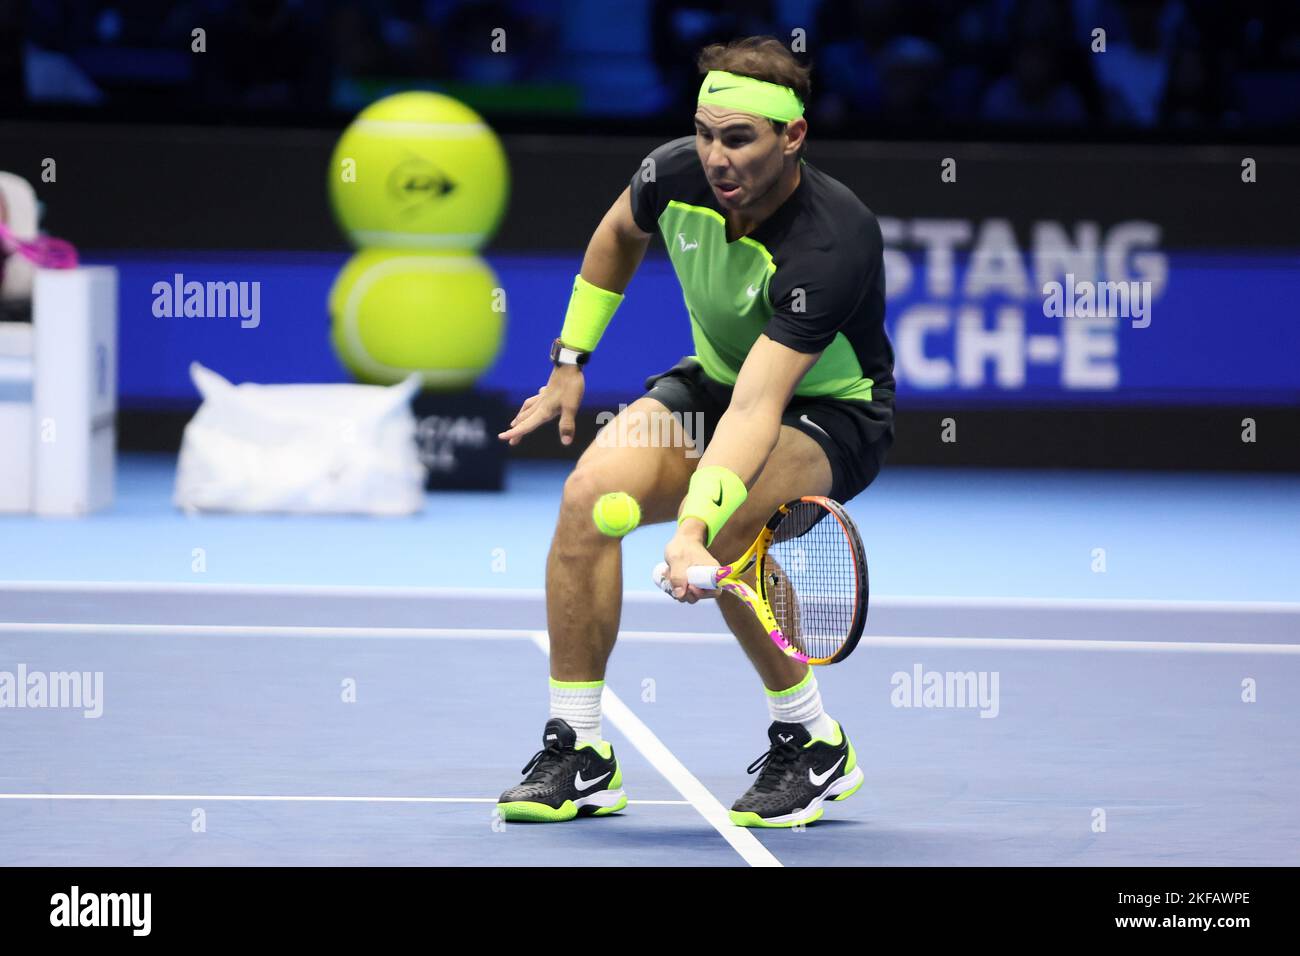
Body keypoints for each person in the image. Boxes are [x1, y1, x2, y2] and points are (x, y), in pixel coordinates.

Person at [495, 35, 895, 828]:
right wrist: (569, 359)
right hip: (714, 381)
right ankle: (579, 752)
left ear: (793, 137)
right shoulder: (674, 171)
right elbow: (616, 235)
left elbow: (758, 410)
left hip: (830, 411)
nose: (716, 156)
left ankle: (813, 742)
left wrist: (690, 531)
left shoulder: (831, 240)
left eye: (739, 139)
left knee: (736, 527)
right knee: (586, 498)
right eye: (707, 133)